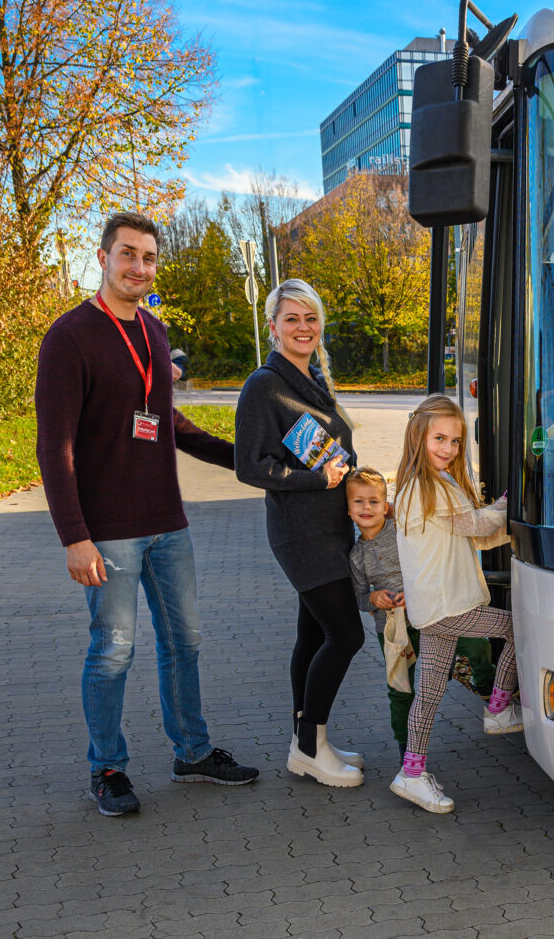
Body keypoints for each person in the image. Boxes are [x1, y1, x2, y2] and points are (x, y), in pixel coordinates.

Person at [35, 211, 259, 818]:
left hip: (168, 523)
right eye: (128, 254)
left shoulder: (154, 332)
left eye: (149, 257)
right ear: (103, 257)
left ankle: (192, 753)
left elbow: (167, 422)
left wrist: (246, 458)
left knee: (184, 642)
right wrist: (74, 537)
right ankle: (106, 768)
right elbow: (54, 448)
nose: (139, 267)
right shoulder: (70, 337)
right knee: (113, 650)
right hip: (108, 532)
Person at [234, 279, 365, 788]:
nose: (302, 327)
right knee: (346, 634)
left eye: (310, 318)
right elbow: (250, 466)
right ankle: (310, 744)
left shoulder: (312, 378)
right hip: (300, 532)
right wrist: (318, 479)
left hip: (331, 526)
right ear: (273, 327)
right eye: (291, 319)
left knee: (312, 634)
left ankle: (306, 742)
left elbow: (333, 453)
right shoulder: (264, 385)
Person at [389, 394, 522, 814]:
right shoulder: (428, 487)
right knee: (519, 626)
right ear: (419, 435)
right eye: (440, 438)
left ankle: (411, 772)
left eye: (456, 441)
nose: (448, 448)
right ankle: (499, 707)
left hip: (433, 609)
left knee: (427, 694)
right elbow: (481, 525)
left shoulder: (428, 485)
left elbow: (479, 538)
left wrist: (504, 519)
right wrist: (512, 501)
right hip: (449, 605)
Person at [345, 467, 498, 757]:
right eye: (359, 502)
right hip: (393, 630)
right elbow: (358, 596)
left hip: (432, 611)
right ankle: (406, 747)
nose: (367, 508)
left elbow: (429, 557)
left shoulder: (402, 529)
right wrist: (373, 598)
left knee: (475, 642)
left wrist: (413, 591)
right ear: (348, 509)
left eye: (374, 501)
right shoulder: (356, 556)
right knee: (401, 688)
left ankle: (486, 682)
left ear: (386, 506)